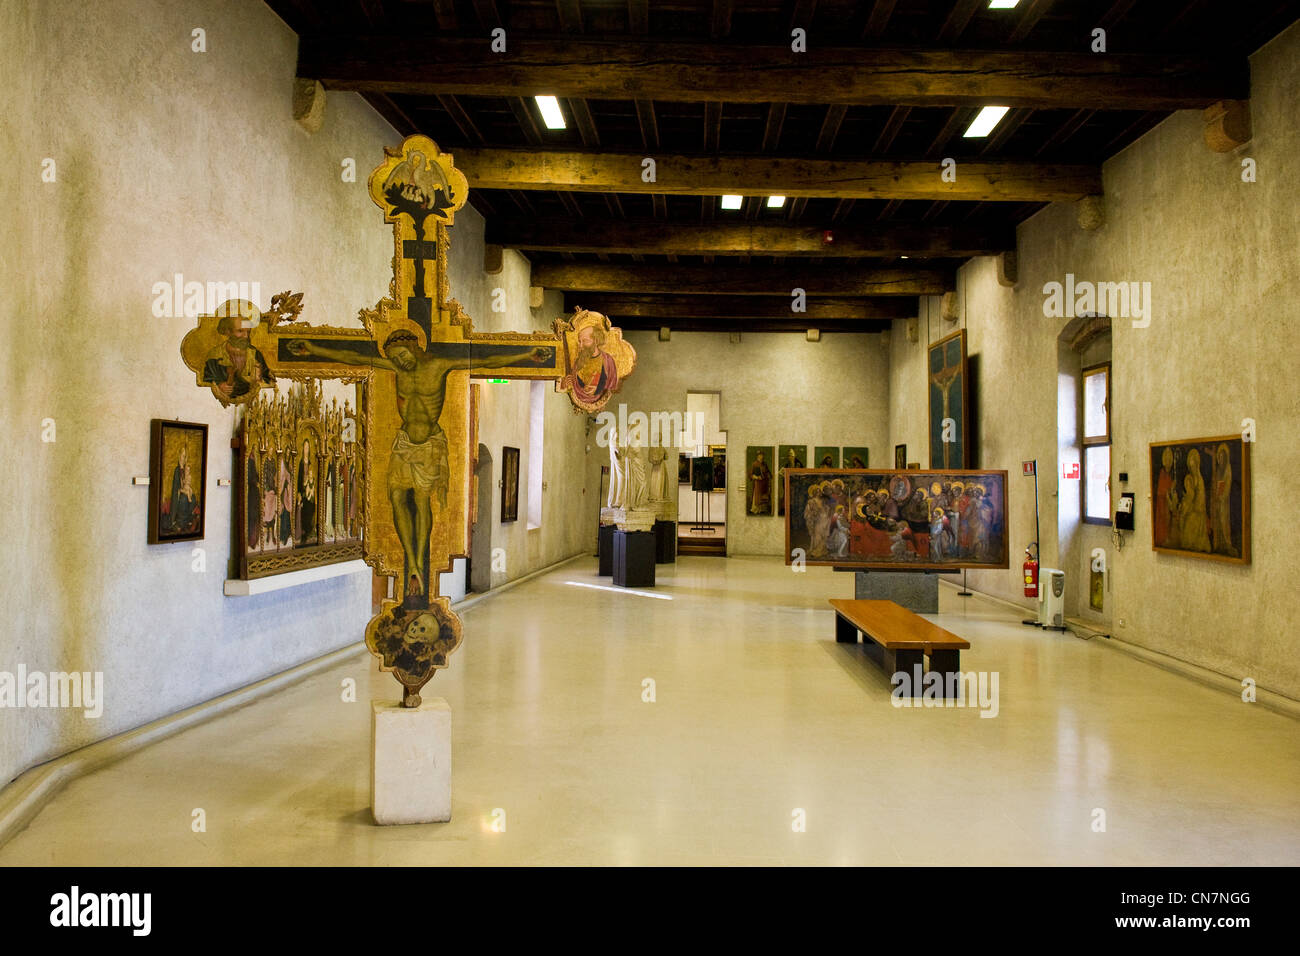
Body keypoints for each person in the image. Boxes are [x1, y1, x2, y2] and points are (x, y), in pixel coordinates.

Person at [287, 332, 548, 597]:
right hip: (403, 444)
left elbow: (488, 359)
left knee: (422, 502)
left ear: (415, 347)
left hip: (429, 446)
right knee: (397, 497)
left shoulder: (439, 365)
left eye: (403, 355)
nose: (400, 362)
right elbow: (352, 355)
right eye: (395, 359)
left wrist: (525, 355)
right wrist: (311, 347)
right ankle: (410, 561)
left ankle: (419, 562)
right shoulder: (394, 367)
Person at [202, 316, 274, 402]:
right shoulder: (215, 355)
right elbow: (206, 378)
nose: (245, 336)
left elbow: (269, 379)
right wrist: (219, 385)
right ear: (228, 332)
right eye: (240, 331)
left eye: (248, 332)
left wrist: (259, 379)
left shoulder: (255, 354)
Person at [563, 323, 619, 408]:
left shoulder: (608, 361)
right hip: (577, 398)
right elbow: (572, 383)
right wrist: (565, 383)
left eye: (585, 341)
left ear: (596, 341)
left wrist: (597, 390)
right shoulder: (578, 361)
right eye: (580, 341)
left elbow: (610, 386)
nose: (581, 346)